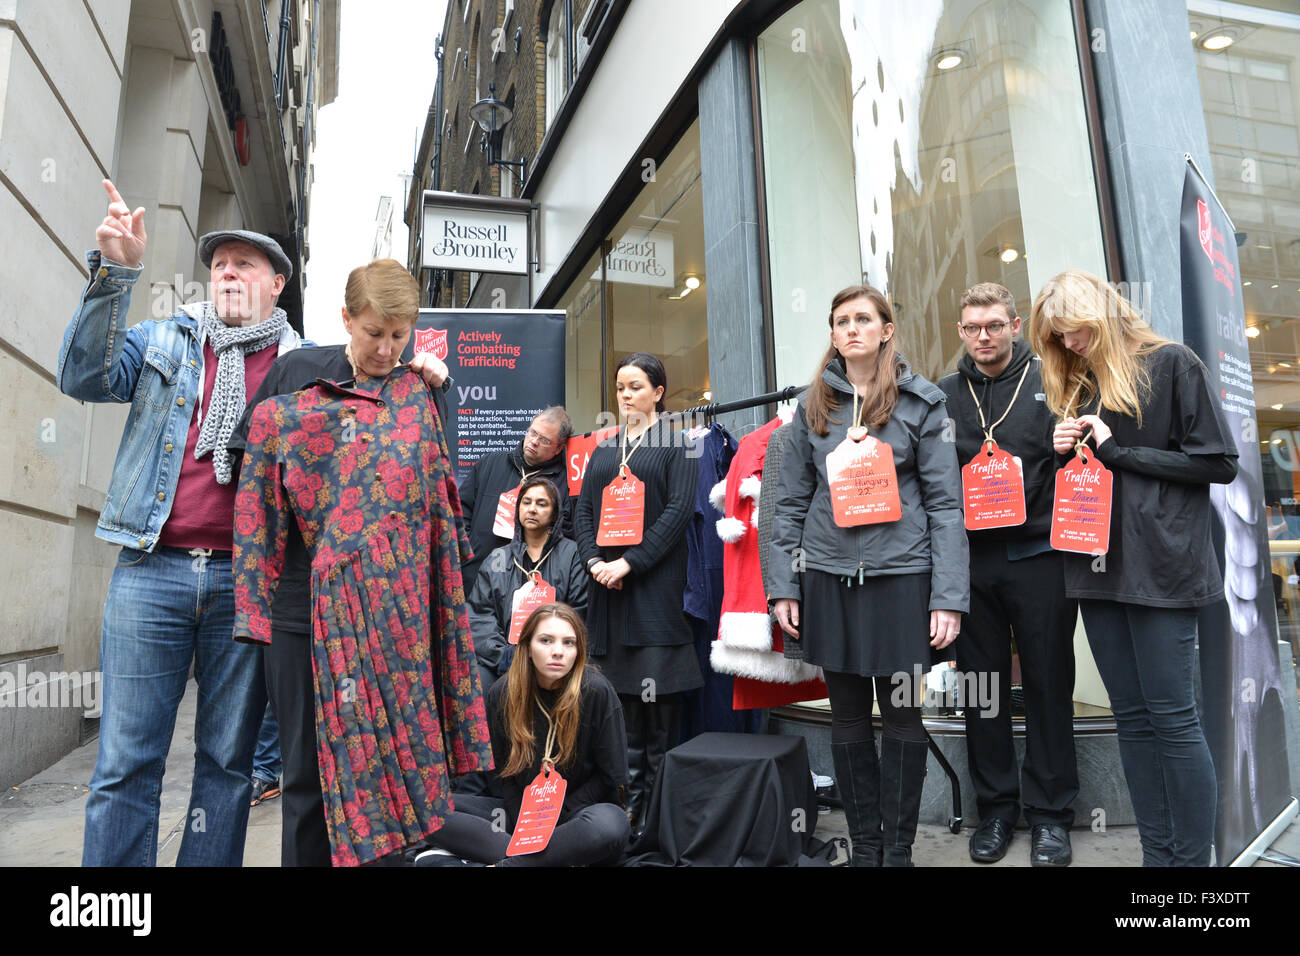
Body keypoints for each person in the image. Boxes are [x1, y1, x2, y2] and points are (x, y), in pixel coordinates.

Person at [58, 179, 307, 867]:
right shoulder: (164, 338)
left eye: (245, 263)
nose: (227, 270)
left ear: (276, 284)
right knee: (125, 763)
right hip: (151, 570)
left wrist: (420, 369)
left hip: (248, 582)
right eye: (219, 261)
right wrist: (117, 274)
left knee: (227, 767)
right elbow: (83, 376)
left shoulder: (304, 366)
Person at [232, 259, 492, 867]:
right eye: (374, 332)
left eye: (400, 335)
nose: (386, 347)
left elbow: (437, 501)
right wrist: (253, 603)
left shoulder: (420, 394)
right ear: (346, 318)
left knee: (391, 762)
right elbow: (253, 482)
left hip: (393, 610)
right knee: (303, 771)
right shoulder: (296, 372)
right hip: (303, 606)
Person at [1031, 270, 1236, 867]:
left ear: (1101, 314)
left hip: (1163, 564)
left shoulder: (1173, 363)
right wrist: (1063, 447)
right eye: (1058, 337)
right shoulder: (1079, 385)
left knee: (1173, 720)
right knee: (1133, 721)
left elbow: (1217, 463)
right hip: (1095, 564)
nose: (1068, 345)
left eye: (1073, 331)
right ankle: (1157, 860)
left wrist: (1118, 451)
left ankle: (1192, 873)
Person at [769, 284, 968, 866]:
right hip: (828, 578)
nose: (851, 328)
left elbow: (946, 506)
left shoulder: (923, 405)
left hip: (903, 579)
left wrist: (948, 595)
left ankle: (899, 852)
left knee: (904, 714)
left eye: (863, 318)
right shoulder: (815, 407)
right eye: (840, 321)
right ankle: (867, 848)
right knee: (848, 716)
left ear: (886, 330)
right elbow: (787, 504)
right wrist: (783, 583)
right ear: (832, 334)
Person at [938, 282, 1079, 866]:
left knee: (1048, 683)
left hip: (1042, 556)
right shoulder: (944, 395)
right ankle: (996, 811)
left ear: (1016, 324)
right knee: (983, 692)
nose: (983, 337)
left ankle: (1050, 816)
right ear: (961, 331)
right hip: (971, 561)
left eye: (994, 325)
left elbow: (1082, 465)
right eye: (972, 328)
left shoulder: (1054, 381)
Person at [575, 352, 703, 838]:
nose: (626, 395)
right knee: (622, 709)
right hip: (609, 597)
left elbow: (677, 514)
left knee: (660, 714)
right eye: (620, 387)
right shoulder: (603, 451)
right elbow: (583, 512)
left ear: (658, 392)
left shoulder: (679, 445)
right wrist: (594, 564)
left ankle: (657, 813)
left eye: (635, 386)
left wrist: (629, 562)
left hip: (654, 594)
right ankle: (627, 806)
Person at [415, 603, 630, 867]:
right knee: (425, 808)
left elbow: (612, 777)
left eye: (569, 643)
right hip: (520, 817)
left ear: (579, 651)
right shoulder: (503, 693)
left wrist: (555, 819)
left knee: (610, 824)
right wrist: (525, 821)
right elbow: (504, 776)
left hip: (578, 818)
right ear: (526, 647)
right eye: (546, 640)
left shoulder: (596, 691)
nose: (558, 652)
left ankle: (510, 863)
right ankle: (544, 860)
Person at [467, 476, 590, 691]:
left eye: (541, 504)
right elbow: (479, 615)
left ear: (555, 513)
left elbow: (579, 611)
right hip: (505, 658)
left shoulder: (572, 556)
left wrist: (546, 649)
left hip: (556, 655)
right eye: (526, 502)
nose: (532, 509)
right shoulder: (497, 558)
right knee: (478, 681)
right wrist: (505, 655)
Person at [460, 406, 575, 588]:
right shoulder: (490, 464)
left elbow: (567, 534)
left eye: (544, 440)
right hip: (476, 574)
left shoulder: (566, 483)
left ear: (559, 448)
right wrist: (467, 551)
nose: (534, 441)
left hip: (531, 581)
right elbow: (460, 511)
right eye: (533, 432)